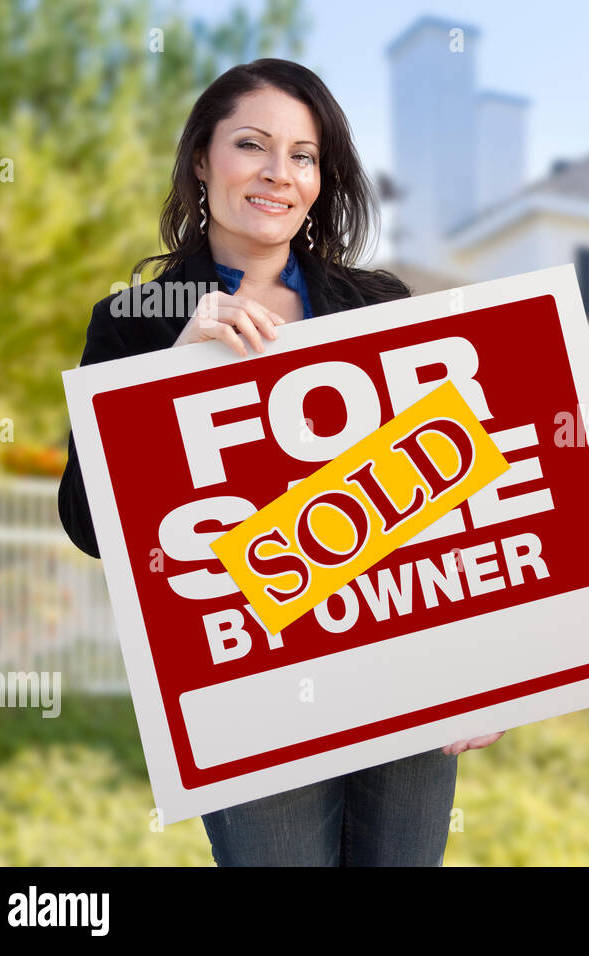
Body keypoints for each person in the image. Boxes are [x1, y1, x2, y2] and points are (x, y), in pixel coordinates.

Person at [56, 58, 502, 866]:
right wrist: (168, 381)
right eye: (252, 145)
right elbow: (89, 524)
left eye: (303, 154)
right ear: (202, 160)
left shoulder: (378, 306)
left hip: (400, 666)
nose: (278, 174)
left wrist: (482, 675)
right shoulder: (134, 320)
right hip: (247, 688)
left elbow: (448, 497)